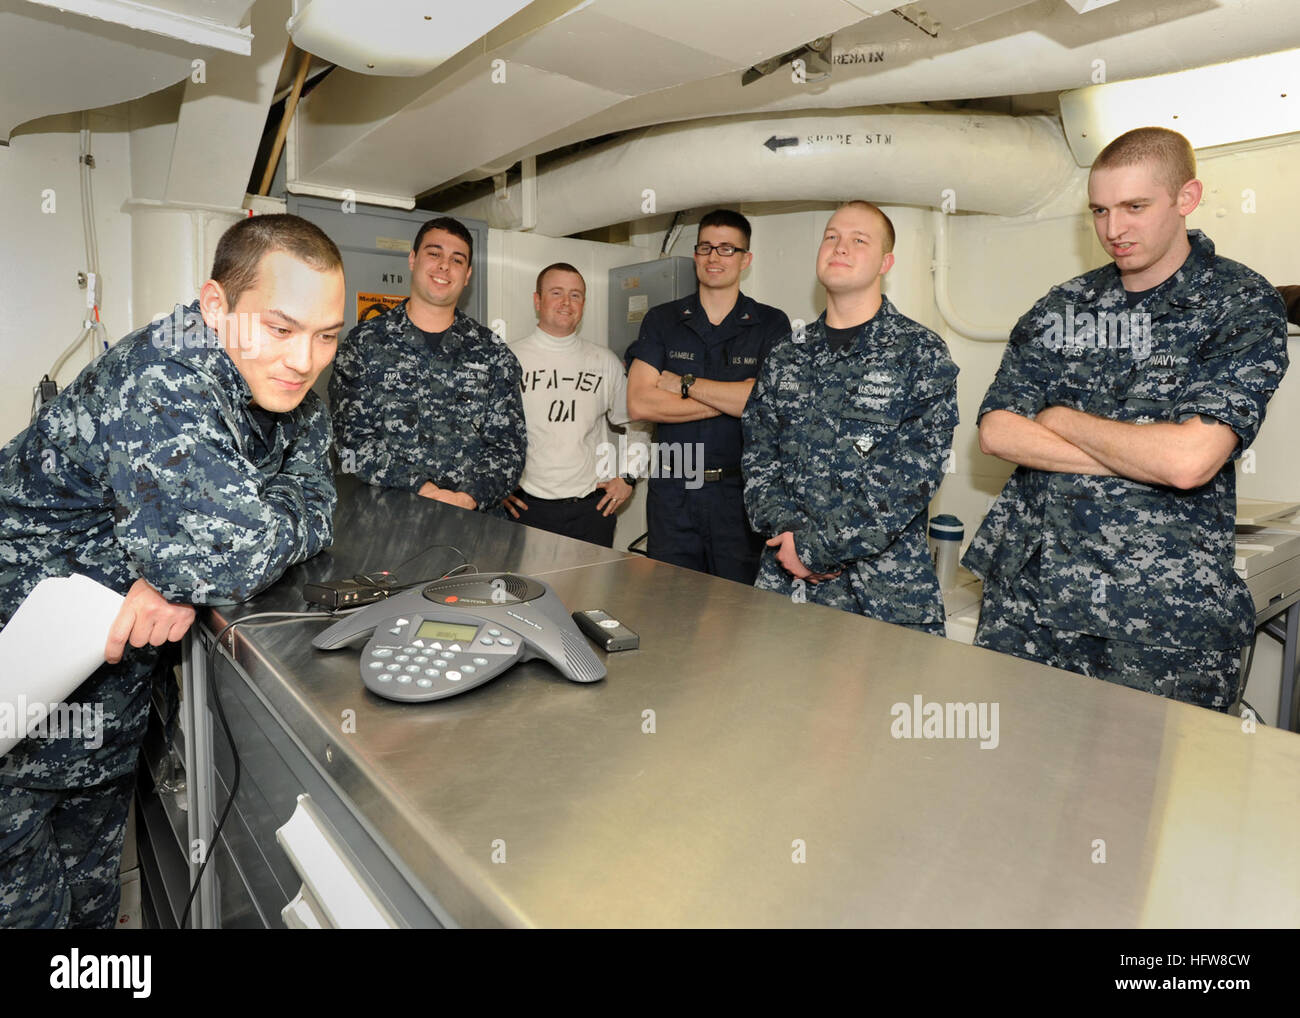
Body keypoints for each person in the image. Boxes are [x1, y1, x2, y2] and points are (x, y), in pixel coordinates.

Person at [0, 214, 345, 927]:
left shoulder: (286, 386)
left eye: (327, 335)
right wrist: (198, 557)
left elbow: (317, 498)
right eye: (280, 328)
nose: (305, 359)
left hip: (100, 692)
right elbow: (230, 556)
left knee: (91, 905)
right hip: (14, 688)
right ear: (215, 306)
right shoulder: (166, 371)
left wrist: (195, 561)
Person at [965, 126, 1289, 710]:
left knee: (1132, 794)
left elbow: (1189, 463)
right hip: (1029, 603)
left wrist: (1060, 417)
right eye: (1100, 210)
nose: (1114, 230)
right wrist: (1146, 457)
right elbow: (997, 431)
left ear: (1185, 199)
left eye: (1135, 207)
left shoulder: (1240, 303)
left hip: (1156, 620)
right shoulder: (1064, 306)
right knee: (1003, 784)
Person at [743, 201, 958, 633]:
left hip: (883, 595)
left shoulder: (919, 352)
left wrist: (816, 548)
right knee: (770, 698)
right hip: (787, 583)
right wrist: (788, 536)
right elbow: (758, 455)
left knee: (886, 701)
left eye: (859, 240)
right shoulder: (787, 353)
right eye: (831, 236)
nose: (840, 247)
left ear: (885, 262)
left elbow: (910, 478)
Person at [624, 208, 789, 583]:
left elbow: (767, 404)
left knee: (737, 612)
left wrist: (682, 383)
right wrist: (736, 398)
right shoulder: (662, 320)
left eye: (727, 249)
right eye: (706, 247)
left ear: (746, 260)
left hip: (738, 495)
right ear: (696, 254)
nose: (715, 257)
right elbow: (640, 403)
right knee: (670, 604)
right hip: (673, 492)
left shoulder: (770, 323)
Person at [331, 216, 525, 512]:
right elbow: (351, 443)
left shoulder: (493, 353)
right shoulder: (364, 345)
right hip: (390, 522)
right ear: (413, 259)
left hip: (474, 524)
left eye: (457, 260)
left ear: (468, 274)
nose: (444, 266)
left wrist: (468, 497)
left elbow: (509, 448)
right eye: (434, 254)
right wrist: (421, 487)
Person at [503, 263, 636, 546]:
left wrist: (628, 477)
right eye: (556, 293)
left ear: (584, 304)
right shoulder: (508, 359)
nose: (566, 302)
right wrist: (495, 486)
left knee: (589, 592)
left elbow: (640, 424)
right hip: (526, 510)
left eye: (575, 295)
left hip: (591, 510)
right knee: (527, 590)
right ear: (537, 301)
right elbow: (479, 430)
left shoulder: (604, 361)